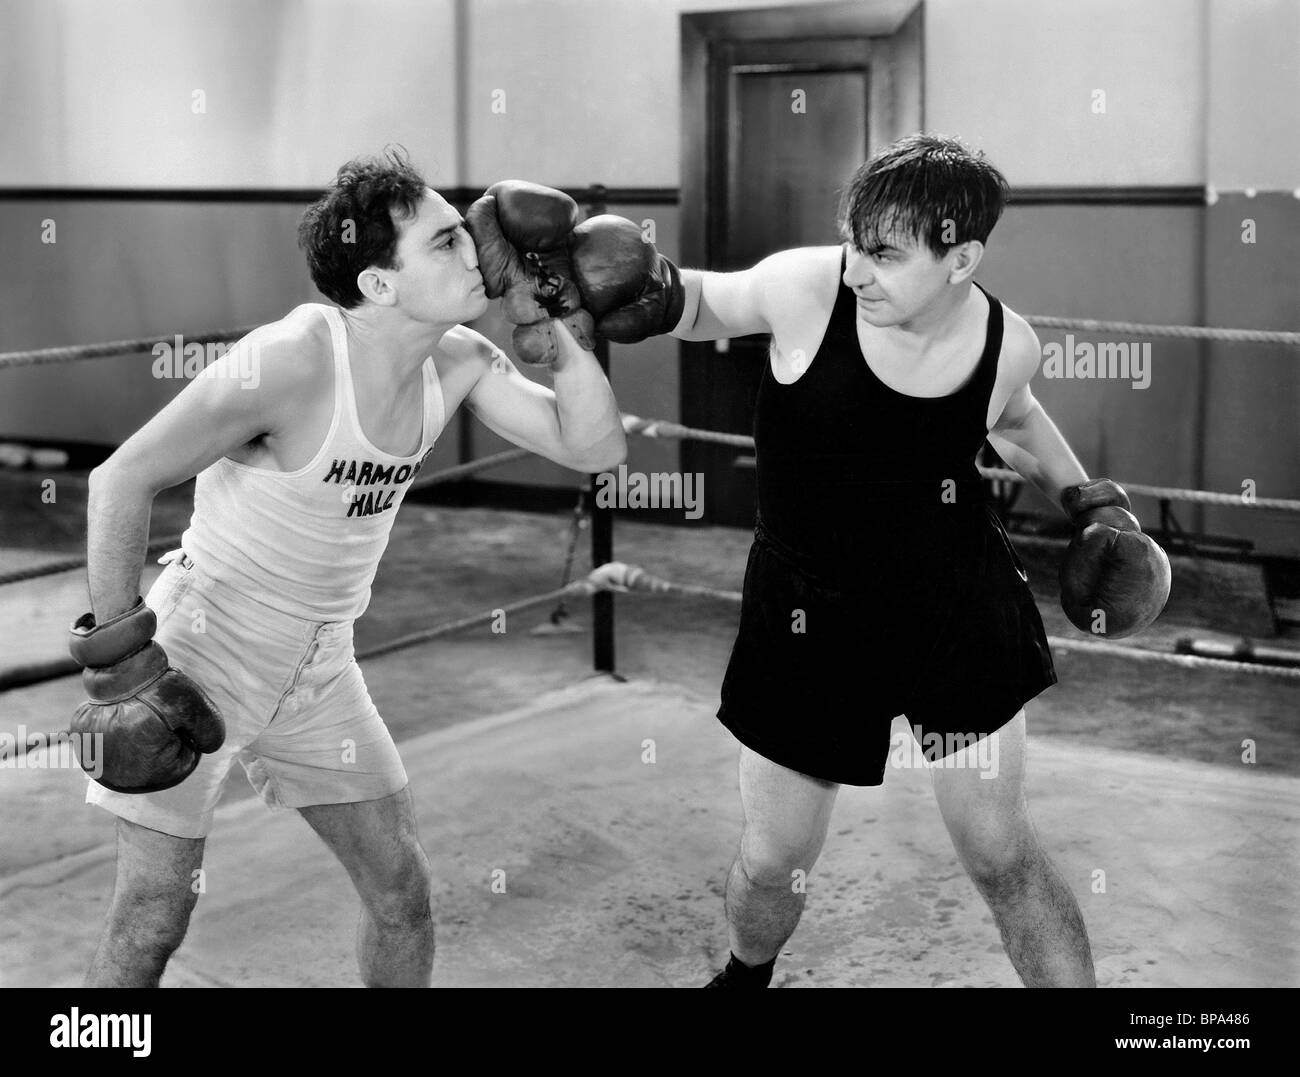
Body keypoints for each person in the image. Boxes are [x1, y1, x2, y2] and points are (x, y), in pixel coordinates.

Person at [565, 133, 1169, 987]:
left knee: (1002, 855)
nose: (856, 268)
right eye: (855, 241)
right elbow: (693, 303)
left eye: (884, 253)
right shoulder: (808, 289)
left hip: (954, 612)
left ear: (962, 258)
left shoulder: (1006, 341)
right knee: (774, 860)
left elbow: (1019, 417)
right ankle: (744, 977)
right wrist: (609, 275)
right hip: (808, 617)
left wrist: (1090, 502)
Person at [69, 151, 626, 987]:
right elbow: (120, 478)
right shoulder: (293, 360)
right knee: (153, 917)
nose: (477, 251)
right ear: (378, 285)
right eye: (445, 243)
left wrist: (552, 315)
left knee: (402, 892)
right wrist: (126, 670)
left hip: (322, 666)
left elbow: (595, 448)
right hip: (205, 650)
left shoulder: (459, 358)